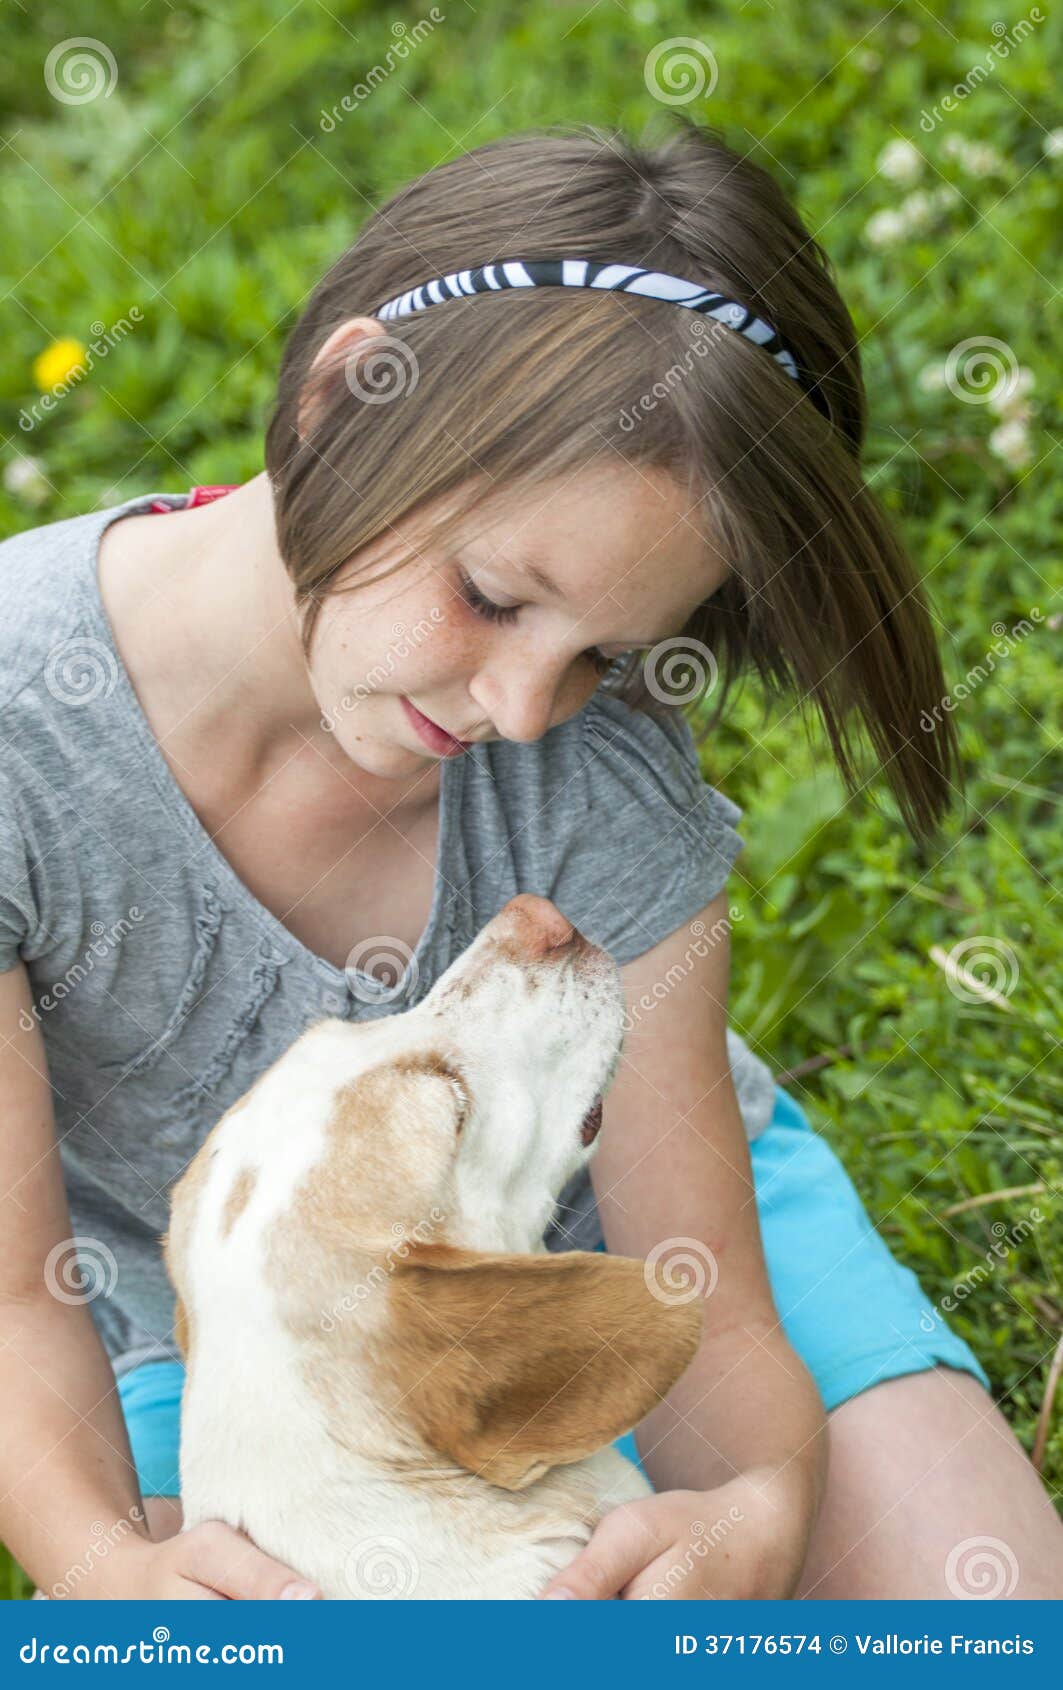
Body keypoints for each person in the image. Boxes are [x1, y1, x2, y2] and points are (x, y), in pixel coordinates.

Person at [2, 119, 1060, 1602]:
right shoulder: (15, 731)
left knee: (989, 1609)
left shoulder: (598, 763)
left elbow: (695, 1280)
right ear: (337, 400)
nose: (517, 710)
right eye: (492, 594)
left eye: (606, 654)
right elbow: (11, 1298)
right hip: (235, 1333)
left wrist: (755, 1498)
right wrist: (102, 1557)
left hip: (616, 1223)